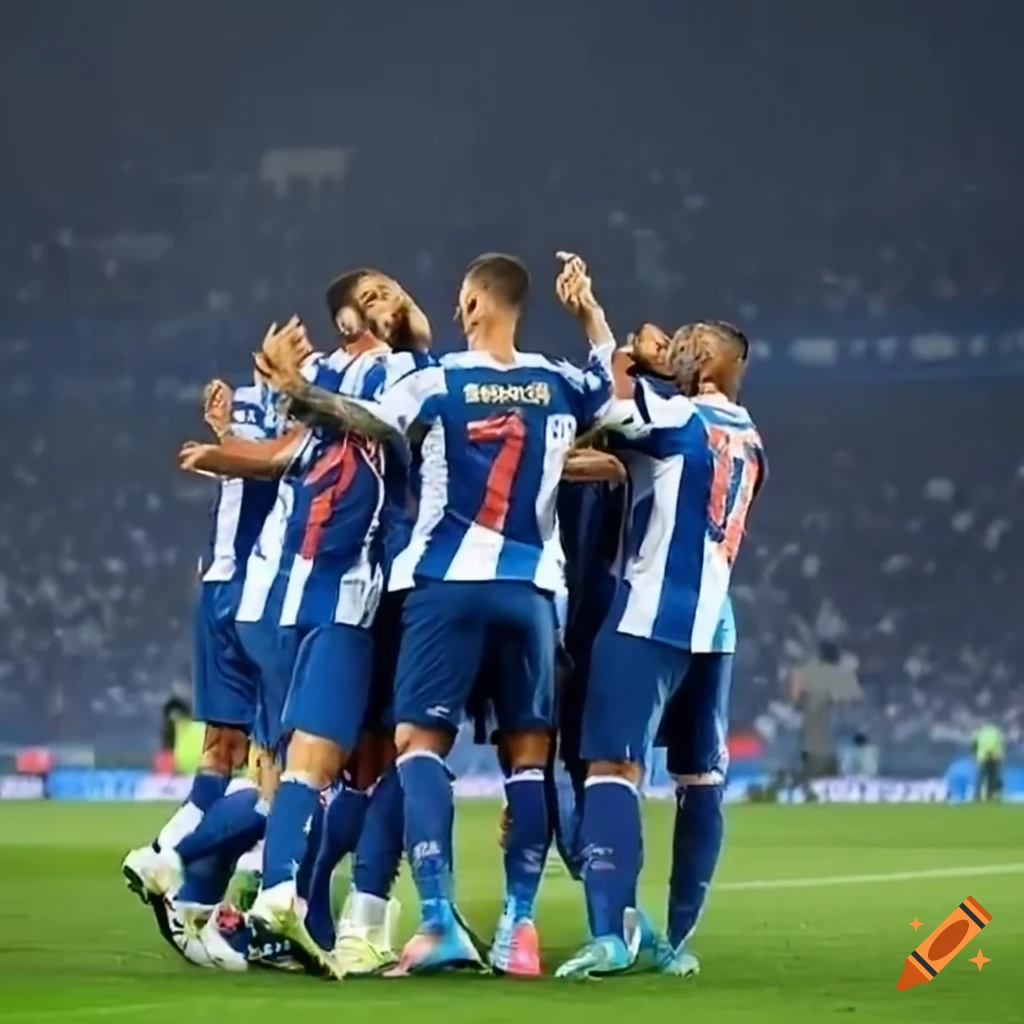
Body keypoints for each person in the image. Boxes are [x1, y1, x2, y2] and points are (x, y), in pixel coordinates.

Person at [281, 252, 616, 977]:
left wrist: (299, 392)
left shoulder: (435, 381)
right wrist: (588, 311)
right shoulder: (560, 382)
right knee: (529, 760)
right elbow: (611, 393)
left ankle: (438, 921)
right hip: (531, 593)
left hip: (443, 584)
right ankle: (519, 931)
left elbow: (366, 422)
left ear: (470, 305)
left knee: (419, 746)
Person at [551, 258, 766, 980]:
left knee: (613, 766)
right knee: (700, 780)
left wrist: (618, 349)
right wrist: (595, 316)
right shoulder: (750, 437)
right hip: (717, 628)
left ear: (704, 360)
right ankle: (674, 942)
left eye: (685, 341)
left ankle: (610, 933)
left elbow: (609, 411)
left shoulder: (678, 416)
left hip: (648, 617)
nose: (672, 343)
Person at [121, 370, 286, 959]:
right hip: (262, 594)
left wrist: (222, 435)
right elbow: (272, 467)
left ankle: (176, 876)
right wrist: (225, 437)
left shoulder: (246, 423)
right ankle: (185, 879)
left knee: (224, 750)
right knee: (284, 771)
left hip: (220, 586)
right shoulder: (303, 418)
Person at [791, 640, 862, 785]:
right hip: (826, 743)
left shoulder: (807, 673)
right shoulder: (841, 675)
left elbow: (796, 699)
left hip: (824, 742)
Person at [972, 722, 1005, 801]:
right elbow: (1002, 744)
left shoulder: (978, 732)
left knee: (980, 777)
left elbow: (973, 744)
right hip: (995, 756)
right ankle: (990, 795)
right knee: (993, 777)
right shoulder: (997, 732)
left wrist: (975, 754)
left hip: (982, 757)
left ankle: (977, 795)